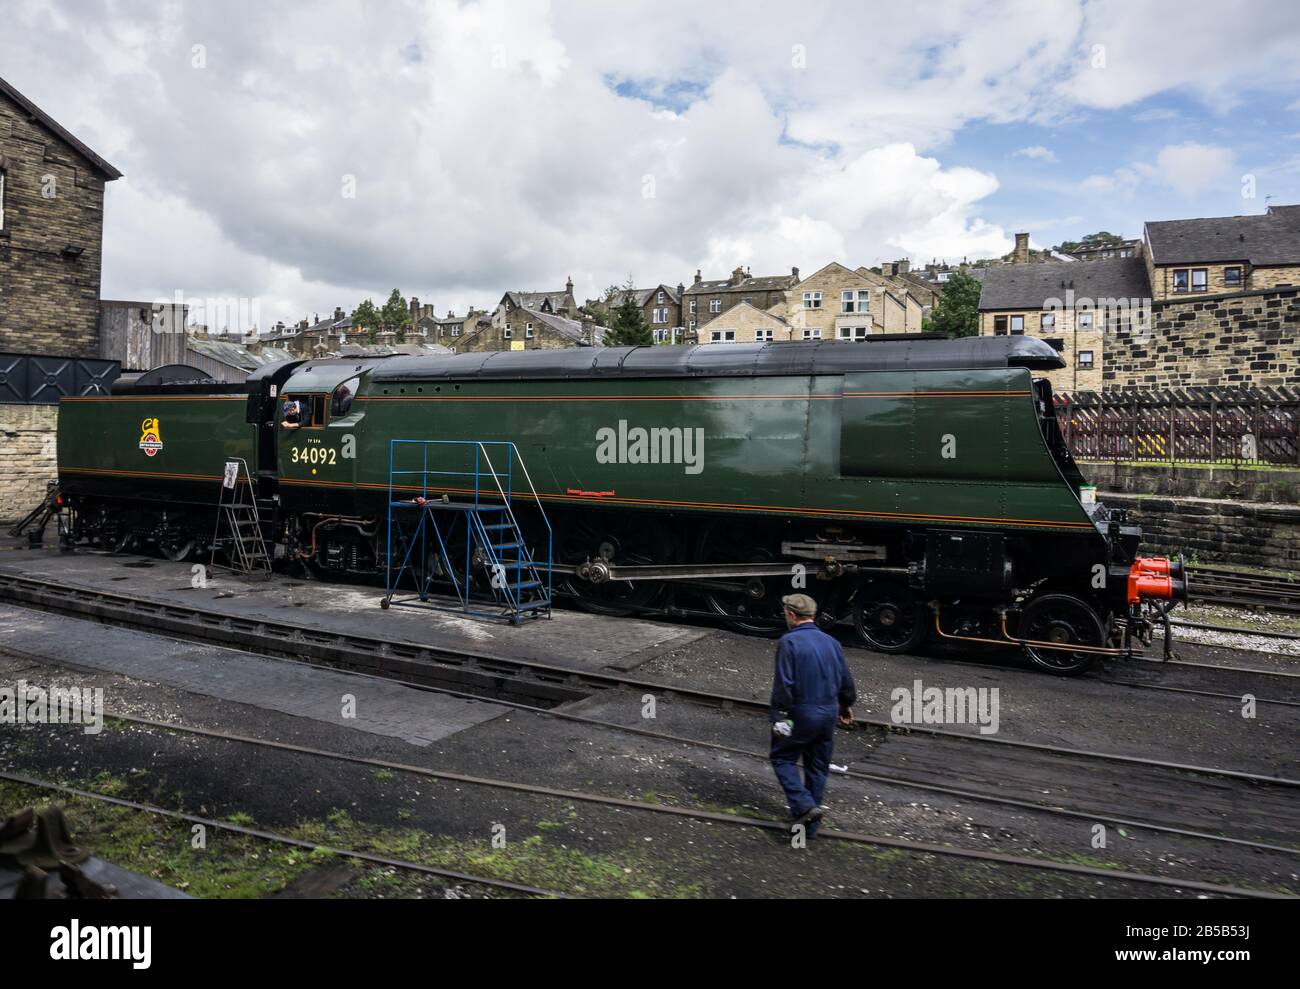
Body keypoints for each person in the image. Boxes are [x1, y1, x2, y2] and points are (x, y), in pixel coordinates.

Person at [769, 593, 856, 838]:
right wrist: (845, 705)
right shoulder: (832, 643)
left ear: (792, 615)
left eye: (785, 613)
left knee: (782, 758)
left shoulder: (789, 642)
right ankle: (810, 829)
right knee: (817, 768)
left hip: (800, 714)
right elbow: (846, 682)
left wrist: (779, 718)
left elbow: (784, 686)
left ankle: (804, 806)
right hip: (828, 714)